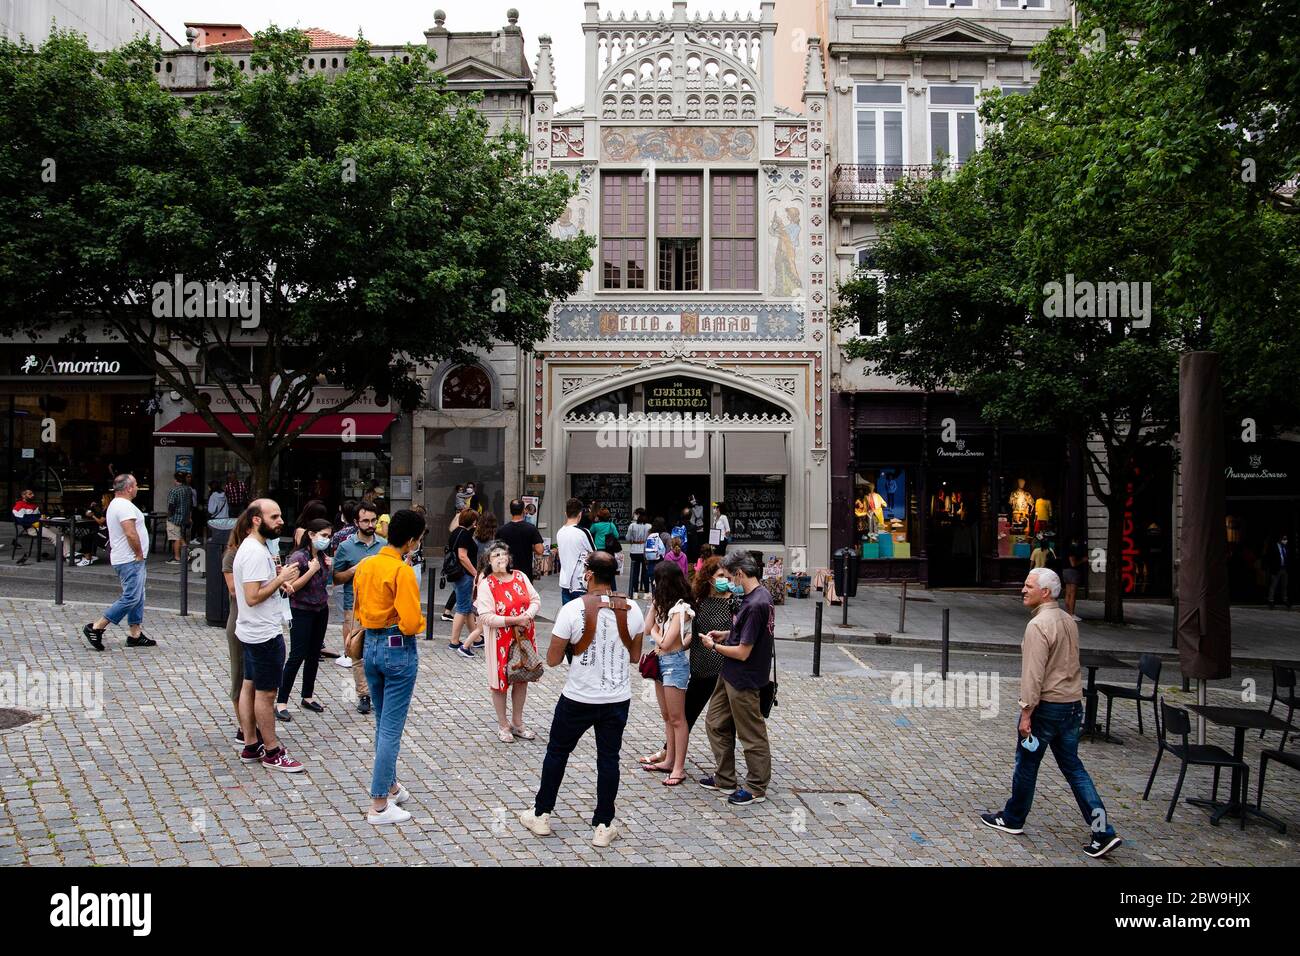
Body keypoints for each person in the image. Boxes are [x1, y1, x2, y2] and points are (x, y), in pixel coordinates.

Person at [980, 568, 1122, 859]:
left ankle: (1013, 818)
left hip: (1048, 707)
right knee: (1074, 769)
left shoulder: (1038, 626)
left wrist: (1026, 713)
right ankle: (1103, 830)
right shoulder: (1068, 620)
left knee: (1027, 763)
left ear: (1045, 592)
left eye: (1028, 585)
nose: (1023, 589)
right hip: (1072, 705)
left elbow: (1033, 675)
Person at [519, 552, 644, 847]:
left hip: (578, 696)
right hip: (616, 697)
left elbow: (550, 659)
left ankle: (541, 814)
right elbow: (636, 657)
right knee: (609, 759)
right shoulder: (633, 609)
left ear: (588, 574)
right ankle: (603, 824)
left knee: (557, 753)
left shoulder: (573, 609)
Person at [354, 509, 427, 824]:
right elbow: (411, 623)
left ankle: (391, 785)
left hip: (370, 645)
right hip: (397, 648)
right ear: (411, 541)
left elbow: (357, 608)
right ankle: (379, 803)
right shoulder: (402, 572)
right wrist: (420, 621)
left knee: (383, 721)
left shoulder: (367, 565)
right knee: (391, 728)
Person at [232, 499, 305, 772]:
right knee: (266, 693)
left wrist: (277, 579)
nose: (281, 521)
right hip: (262, 634)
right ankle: (272, 751)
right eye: (274, 517)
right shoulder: (253, 551)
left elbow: (257, 587)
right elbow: (251, 597)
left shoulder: (256, 548)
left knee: (250, 685)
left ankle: (251, 744)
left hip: (254, 630)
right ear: (256, 520)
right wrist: (280, 578)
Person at [698, 550, 772, 807]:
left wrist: (713, 646)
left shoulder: (756, 603)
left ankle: (755, 787)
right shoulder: (755, 597)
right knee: (715, 722)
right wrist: (726, 633)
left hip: (744, 677)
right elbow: (745, 634)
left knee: (750, 733)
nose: (728, 583)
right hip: (729, 673)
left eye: (730, 577)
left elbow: (743, 652)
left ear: (740, 574)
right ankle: (725, 777)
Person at [474, 539, 542, 742]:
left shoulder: (520, 576)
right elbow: (485, 616)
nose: (501, 559)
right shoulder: (487, 584)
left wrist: (527, 616)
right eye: (496, 556)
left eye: (503, 555)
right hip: (500, 640)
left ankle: (518, 723)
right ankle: (503, 725)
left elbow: (535, 599)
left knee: (521, 677)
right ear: (488, 560)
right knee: (500, 683)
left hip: (524, 637)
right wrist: (514, 620)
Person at [83, 475, 156, 651]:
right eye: (136, 484)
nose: (138, 487)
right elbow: (130, 533)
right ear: (130, 488)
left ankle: (135, 634)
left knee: (138, 596)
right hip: (129, 558)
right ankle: (97, 627)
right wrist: (138, 554)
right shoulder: (124, 506)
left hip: (127, 558)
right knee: (131, 597)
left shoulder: (117, 504)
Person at [641, 562, 695, 786]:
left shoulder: (682, 609)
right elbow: (646, 628)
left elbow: (664, 640)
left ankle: (679, 768)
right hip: (661, 662)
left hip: (674, 663)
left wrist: (655, 630)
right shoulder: (666, 607)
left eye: (656, 580)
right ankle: (669, 759)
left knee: (677, 718)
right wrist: (654, 606)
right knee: (667, 716)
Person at [276, 518, 333, 720]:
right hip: (301, 610)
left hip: (320, 609)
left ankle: (307, 696)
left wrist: (330, 567)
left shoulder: (324, 556)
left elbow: (328, 582)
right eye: (323, 535)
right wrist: (311, 570)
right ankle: (281, 701)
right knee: (297, 655)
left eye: (328, 536)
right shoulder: (299, 557)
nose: (326, 539)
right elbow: (291, 588)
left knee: (313, 653)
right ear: (311, 534)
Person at [332, 501, 385, 713]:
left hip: (380, 606)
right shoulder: (346, 547)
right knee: (356, 652)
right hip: (353, 606)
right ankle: (363, 694)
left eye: (373, 520)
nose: (370, 524)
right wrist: (355, 569)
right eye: (365, 521)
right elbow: (335, 578)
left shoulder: (383, 545)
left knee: (379, 653)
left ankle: (378, 692)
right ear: (356, 522)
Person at [223, 507, 261, 750]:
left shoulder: (260, 552)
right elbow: (235, 590)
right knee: (240, 679)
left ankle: (252, 726)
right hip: (238, 623)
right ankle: (245, 730)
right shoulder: (233, 555)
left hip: (256, 625)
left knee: (255, 678)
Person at [446, 509, 480, 655]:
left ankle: (477, 638)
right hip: (464, 574)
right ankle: (454, 641)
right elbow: (462, 556)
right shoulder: (465, 534)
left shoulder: (455, 532)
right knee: (462, 608)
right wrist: (475, 572)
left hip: (456, 574)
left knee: (466, 608)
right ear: (473, 522)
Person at [556, 497, 595, 606]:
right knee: (583, 619)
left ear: (565, 513)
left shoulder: (560, 532)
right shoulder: (583, 532)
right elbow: (595, 554)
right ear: (580, 513)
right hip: (581, 583)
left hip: (565, 582)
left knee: (569, 618)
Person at [12, 488, 69, 561]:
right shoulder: (18, 506)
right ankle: (67, 556)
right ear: (23, 495)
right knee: (54, 536)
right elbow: (22, 520)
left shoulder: (34, 506)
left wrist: (45, 519)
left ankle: (69, 554)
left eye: (33, 493)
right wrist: (37, 519)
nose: (33, 495)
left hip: (42, 525)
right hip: (32, 528)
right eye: (30, 494)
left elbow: (40, 516)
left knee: (63, 535)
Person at [498, 498, 544, 583]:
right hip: (525, 574)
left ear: (510, 511)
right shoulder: (531, 529)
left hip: (506, 573)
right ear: (523, 510)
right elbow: (540, 550)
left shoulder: (501, 530)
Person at [164, 472, 191, 564]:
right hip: (184, 517)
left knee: (175, 537)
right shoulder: (188, 489)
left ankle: (177, 557)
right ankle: (187, 552)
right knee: (179, 536)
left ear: (175, 480)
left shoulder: (174, 490)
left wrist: (169, 516)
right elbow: (190, 504)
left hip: (174, 517)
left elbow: (171, 505)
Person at [626, 508, 651, 599]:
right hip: (645, 551)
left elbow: (628, 538)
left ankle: (635, 592)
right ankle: (646, 593)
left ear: (638, 514)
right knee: (645, 572)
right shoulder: (649, 526)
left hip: (634, 550)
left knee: (635, 572)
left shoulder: (632, 526)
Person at [76, 497, 107, 566]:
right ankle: (88, 554)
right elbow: (97, 513)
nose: (101, 500)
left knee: (85, 538)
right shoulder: (104, 508)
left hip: (105, 534)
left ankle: (87, 558)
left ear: (107, 500)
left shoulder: (107, 510)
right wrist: (92, 507)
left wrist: (92, 515)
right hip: (103, 531)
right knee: (90, 536)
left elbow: (101, 522)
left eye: (103, 499)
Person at [1062, 536, 1086, 621]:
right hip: (1072, 572)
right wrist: (1082, 560)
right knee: (1072, 594)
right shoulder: (1072, 550)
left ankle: (1068, 612)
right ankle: (1071, 613)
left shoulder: (1064, 550)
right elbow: (1073, 564)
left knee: (1068, 593)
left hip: (1065, 571)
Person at [1265, 535, 1290, 610]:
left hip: (1284, 568)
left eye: (1286, 539)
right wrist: (1271, 569)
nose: (1285, 541)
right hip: (1276, 569)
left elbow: (1287, 557)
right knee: (1273, 585)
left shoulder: (1285, 547)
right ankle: (1271, 600)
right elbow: (1270, 558)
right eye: (1284, 539)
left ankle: (1285, 599)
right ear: (1280, 539)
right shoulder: (1274, 547)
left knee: (1284, 585)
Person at [643, 517, 668, 591]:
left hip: (652, 562)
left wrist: (646, 561)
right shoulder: (666, 536)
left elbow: (645, 548)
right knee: (662, 583)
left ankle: (654, 598)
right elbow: (669, 549)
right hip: (662, 562)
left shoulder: (649, 534)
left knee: (653, 583)